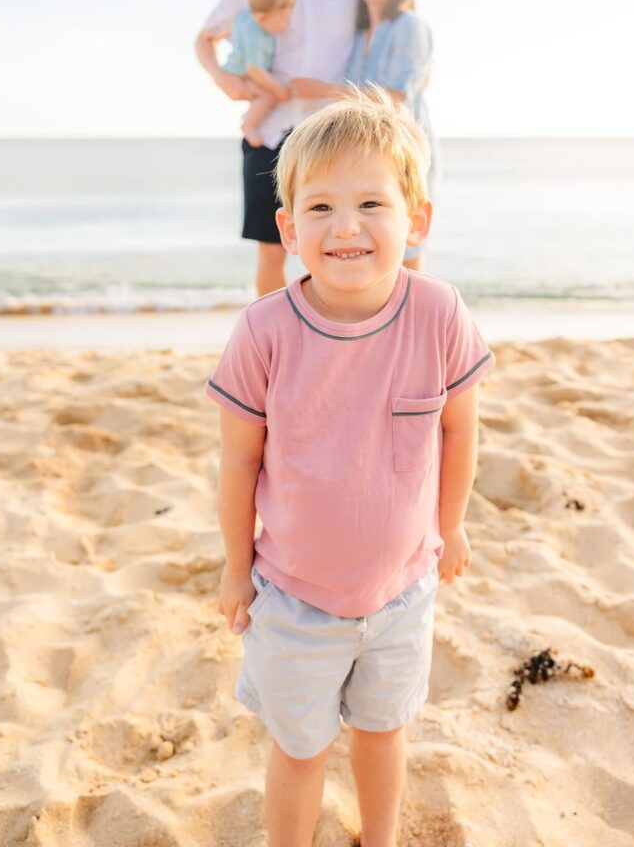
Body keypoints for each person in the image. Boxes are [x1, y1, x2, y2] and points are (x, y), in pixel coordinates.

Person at [206, 90, 494, 847]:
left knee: (382, 730)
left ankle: (381, 837)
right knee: (300, 749)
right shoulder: (263, 332)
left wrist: (451, 524)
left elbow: (460, 427)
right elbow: (238, 460)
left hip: (402, 593)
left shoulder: (439, 313)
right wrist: (238, 568)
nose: (347, 226)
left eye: (372, 202)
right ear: (289, 229)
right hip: (294, 600)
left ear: (417, 219)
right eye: (322, 208)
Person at [195, 0, 357, 296]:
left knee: (337, 248)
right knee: (272, 253)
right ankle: (274, 350)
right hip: (270, 134)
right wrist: (224, 79)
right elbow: (204, 39)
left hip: (334, 136)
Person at [292, 0, 436, 272]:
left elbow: (395, 95)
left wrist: (321, 91)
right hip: (368, 157)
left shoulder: (410, 26)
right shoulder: (358, 34)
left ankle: (415, 323)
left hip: (406, 151)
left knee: (407, 248)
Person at [221, 0, 296, 148]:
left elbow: (231, 26)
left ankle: (249, 119)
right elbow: (255, 70)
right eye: (283, 20)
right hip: (243, 75)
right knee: (267, 96)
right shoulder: (258, 37)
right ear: (261, 18)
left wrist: (219, 31)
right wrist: (278, 89)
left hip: (236, 68)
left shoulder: (245, 16)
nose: (288, 23)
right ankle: (249, 125)